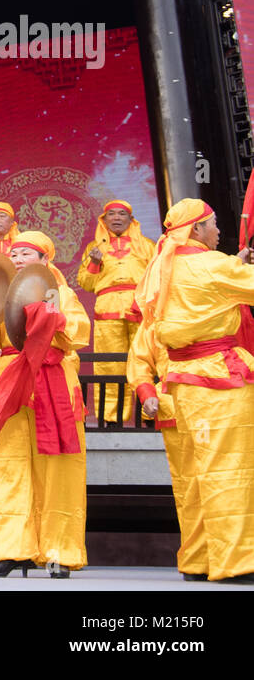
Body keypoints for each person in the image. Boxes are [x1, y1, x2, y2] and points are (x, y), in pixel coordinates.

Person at [132, 199, 254, 582]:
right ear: (197, 229)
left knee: (196, 476)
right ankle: (236, 563)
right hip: (217, 380)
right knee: (226, 472)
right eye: (214, 224)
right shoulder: (212, 265)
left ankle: (199, 559)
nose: (219, 231)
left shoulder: (160, 269)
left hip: (182, 383)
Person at [0, 230, 90, 578]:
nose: (18, 259)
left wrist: (50, 317)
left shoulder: (60, 292)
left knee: (59, 468)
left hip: (51, 379)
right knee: (6, 466)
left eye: (26, 254)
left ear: (44, 261)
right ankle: (11, 550)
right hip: (10, 378)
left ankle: (59, 552)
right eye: (14, 253)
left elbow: (79, 332)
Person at [125, 315, 204, 580]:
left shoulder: (218, 310)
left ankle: (231, 557)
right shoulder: (154, 322)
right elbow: (139, 361)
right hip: (176, 408)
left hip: (217, 403)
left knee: (227, 484)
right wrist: (147, 394)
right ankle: (198, 559)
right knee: (188, 490)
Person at [76, 200, 153, 424]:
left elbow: (158, 275)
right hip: (107, 309)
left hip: (140, 308)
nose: (117, 218)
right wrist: (93, 264)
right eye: (112, 214)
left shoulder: (147, 245)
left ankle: (148, 414)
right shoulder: (95, 248)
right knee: (109, 364)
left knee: (145, 361)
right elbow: (86, 283)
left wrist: (144, 299)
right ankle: (111, 418)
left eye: (122, 214)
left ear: (131, 219)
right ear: (104, 219)